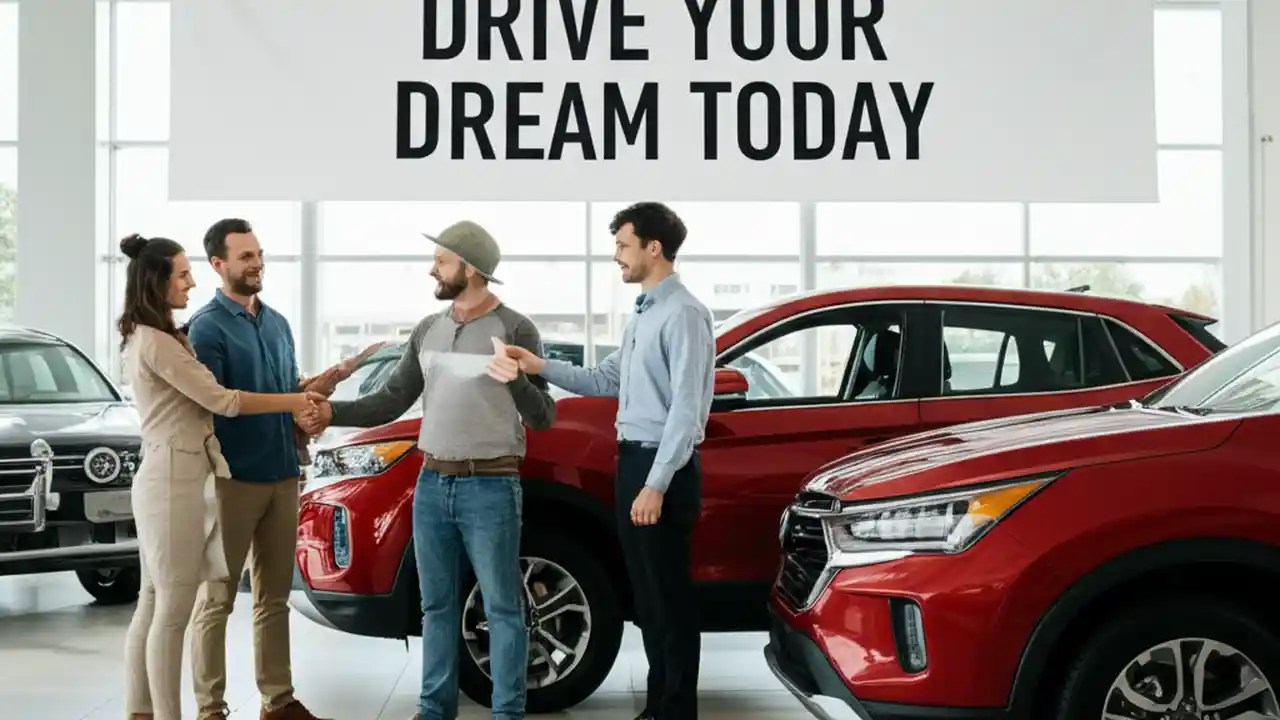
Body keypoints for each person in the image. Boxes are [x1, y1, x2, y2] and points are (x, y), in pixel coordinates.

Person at [298, 220, 557, 720]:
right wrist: (333, 413)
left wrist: (517, 382)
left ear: (471, 268)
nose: (432, 269)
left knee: (503, 606)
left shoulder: (516, 328)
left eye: (441, 261)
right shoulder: (428, 330)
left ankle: (508, 713)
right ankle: (434, 709)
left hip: (492, 486)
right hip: (433, 484)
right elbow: (391, 400)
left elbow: (543, 416)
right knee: (436, 606)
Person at [502, 202, 715, 720]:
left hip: (659, 471)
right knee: (646, 599)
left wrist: (657, 484)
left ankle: (676, 711)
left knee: (669, 600)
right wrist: (537, 365)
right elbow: (604, 380)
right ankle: (658, 707)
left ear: (653, 248)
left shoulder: (684, 313)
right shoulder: (643, 312)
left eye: (623, 245)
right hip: (634, 466)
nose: (616, 255)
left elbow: (687, 414)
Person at [117, 234, 322, 720]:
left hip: (190, 472)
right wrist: (294, 401)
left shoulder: (170, 336)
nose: (191, 282)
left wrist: (303, 397)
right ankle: (183, 713)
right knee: (174, 611)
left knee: (154, 603)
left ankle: (142, 712)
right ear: (157, 281)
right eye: (183, 274)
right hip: (177, 478)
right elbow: (223, 400)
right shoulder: (165, 340)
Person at [185, 219, 331, 720]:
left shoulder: (278, 323)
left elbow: (288, 389)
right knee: (218, 599)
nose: (257, 264)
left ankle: (279, 700)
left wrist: (305, 414)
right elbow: (216, 406)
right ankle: (210, 709)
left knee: (273, 598)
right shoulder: (206, 328)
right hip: (232, 481)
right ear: (218, 265)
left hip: (283, 474)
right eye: (245, 257)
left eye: (259, 254)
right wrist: (291, 400)